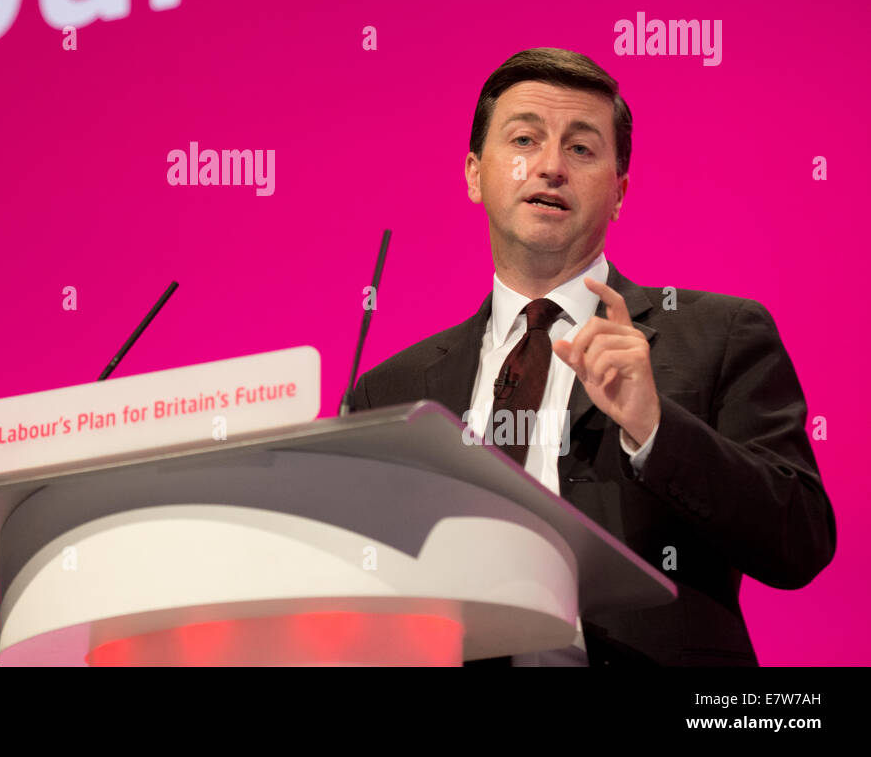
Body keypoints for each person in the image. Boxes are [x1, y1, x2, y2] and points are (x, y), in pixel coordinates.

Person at [348, 47, 835, 666]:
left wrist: (655, 427)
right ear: (475, 174)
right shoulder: (393, 390)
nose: (550, 166)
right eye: (524, 139)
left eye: (581, 149)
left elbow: (800, 542)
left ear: (619, 191)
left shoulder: (721, 333)